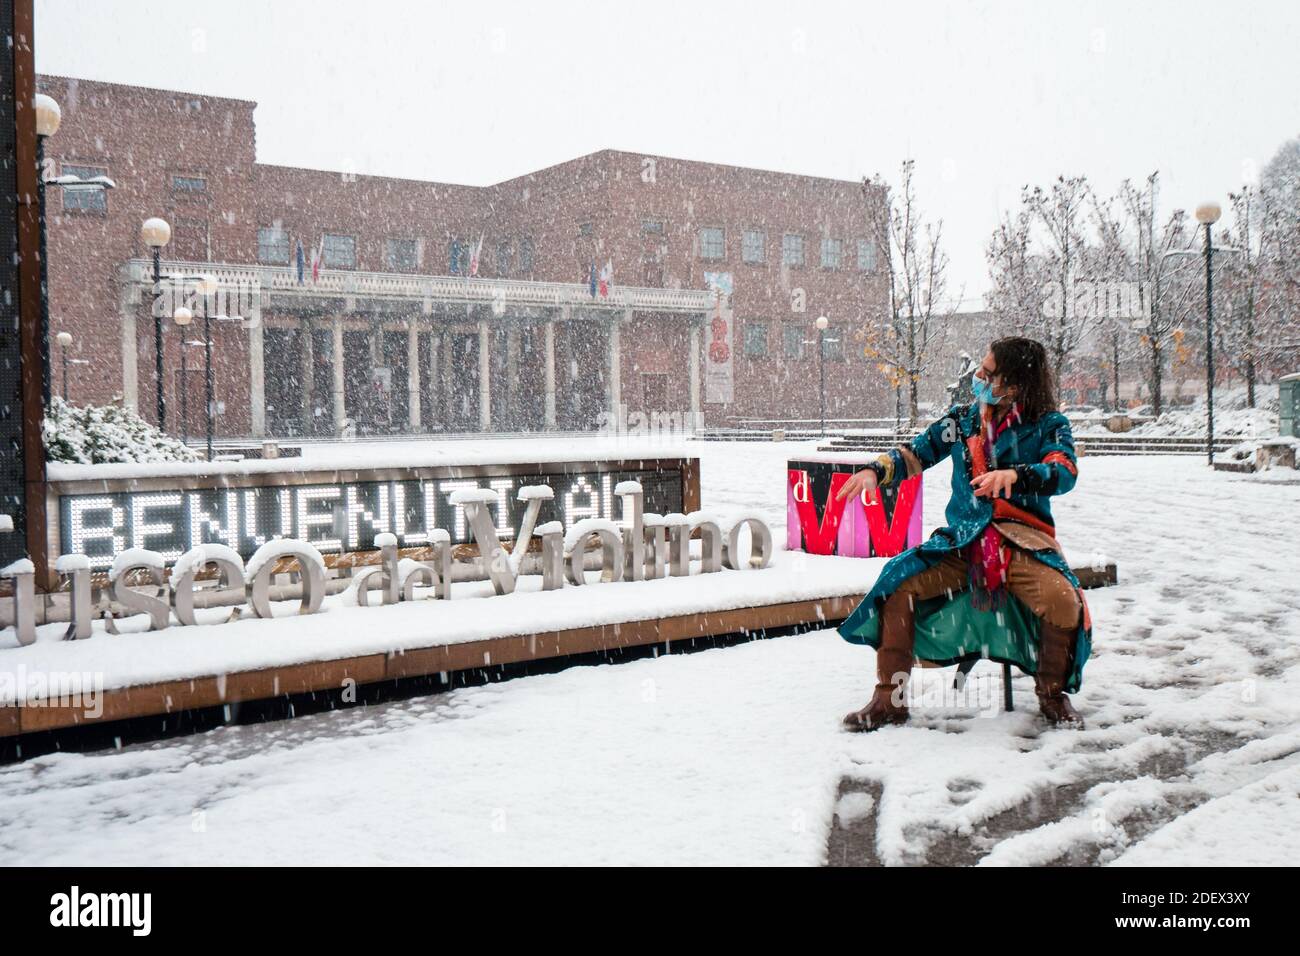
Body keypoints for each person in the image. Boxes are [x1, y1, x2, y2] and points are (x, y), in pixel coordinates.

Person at [835, 336, 1092, 732]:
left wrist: (1015, 476)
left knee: (1063, 601)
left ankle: (1052, 696)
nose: (979, 378)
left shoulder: (1047, 426)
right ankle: (890, 700)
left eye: (989, 374)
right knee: (897, 582)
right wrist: (876, 470)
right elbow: (915, 453)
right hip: (962, 542)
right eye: (981, 370)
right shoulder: (962, 422)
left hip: (1021, 542)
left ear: (1016, 385)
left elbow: (1065, 472)